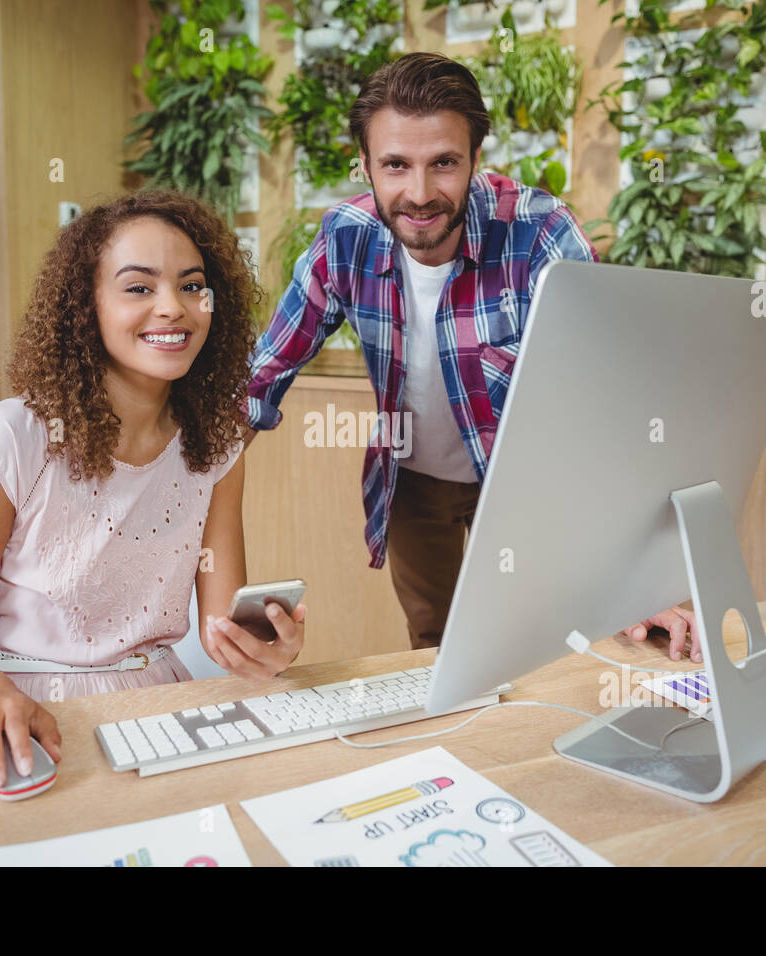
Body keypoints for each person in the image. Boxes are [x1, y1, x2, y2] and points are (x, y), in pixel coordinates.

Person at [244, 53, 699, 660]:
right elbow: (261, 378)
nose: (421, 193)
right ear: (365, 164)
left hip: (525, 481)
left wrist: (635, 578)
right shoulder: (344, 236)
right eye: (396, 165)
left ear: (475, 160)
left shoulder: (541, 233)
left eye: (444, 164)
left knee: (547, 646)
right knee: (438, 649)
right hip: (413, 482)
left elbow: (607, 404)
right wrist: (168, 495)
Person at [0, 190, 306, 807]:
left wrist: (263, 650)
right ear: (84, 307)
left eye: (192, 285)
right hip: (20, 711)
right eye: (139, 288)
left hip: (161, 702)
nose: (173, 308)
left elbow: (222, 628)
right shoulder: (8, 439)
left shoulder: (218, 444)